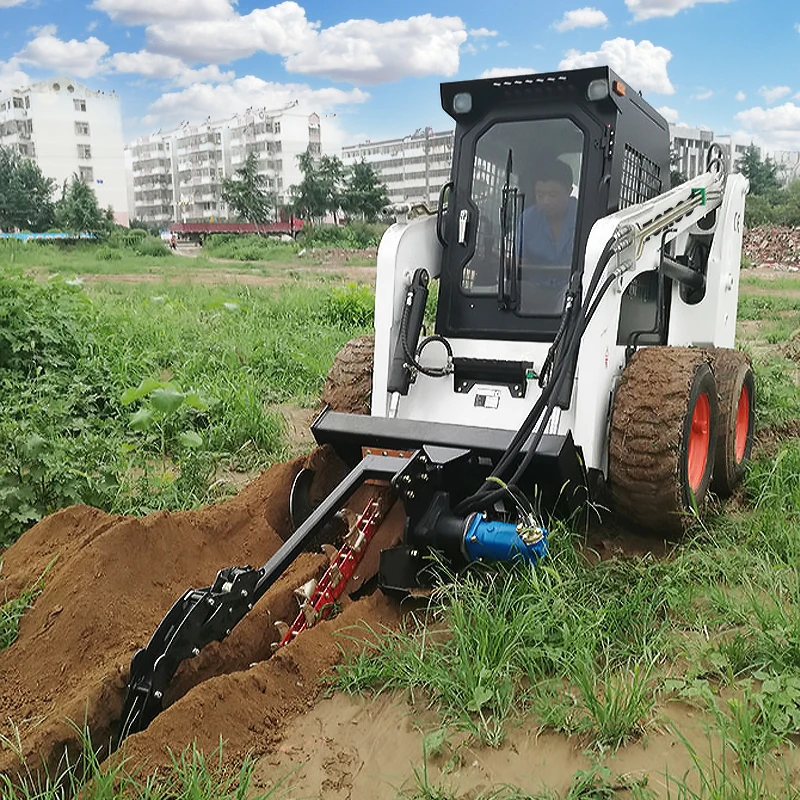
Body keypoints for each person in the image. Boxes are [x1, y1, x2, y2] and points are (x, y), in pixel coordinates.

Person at [518, 160, 578, 266]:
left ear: (569, 191)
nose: (546, 201)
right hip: (533, 283)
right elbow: (521, 261)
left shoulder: (581, 216)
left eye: (552, 195)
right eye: (540, 195)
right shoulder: (527, 220)